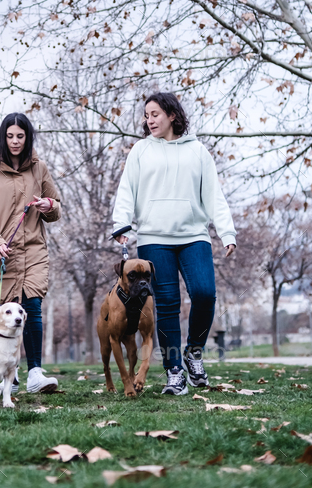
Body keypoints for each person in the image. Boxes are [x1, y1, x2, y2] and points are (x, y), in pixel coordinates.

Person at [112, 92, 236, 396]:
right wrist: (121, 224)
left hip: (194, 235)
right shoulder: (141, 150)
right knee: (166, 305)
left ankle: (194, 352)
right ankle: (175, 372)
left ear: (172, 115)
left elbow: (214, 195)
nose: (149, 120)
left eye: (155, 114)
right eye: (146, 115)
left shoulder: (198, 152)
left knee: (205, 293)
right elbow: (126, 189)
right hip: (154, 237)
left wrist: (227, 232)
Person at [0, 112, 61, 393]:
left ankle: (35, 372)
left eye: (20, 136)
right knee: (5, 313)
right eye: (9, 136)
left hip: (33, 250)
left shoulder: (39, 169)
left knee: (32, 307)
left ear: (28, 137)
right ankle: (8, 369)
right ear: (2, 137)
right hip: (0, 252)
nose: (15, 141)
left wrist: (49, 205)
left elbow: (55, 205)